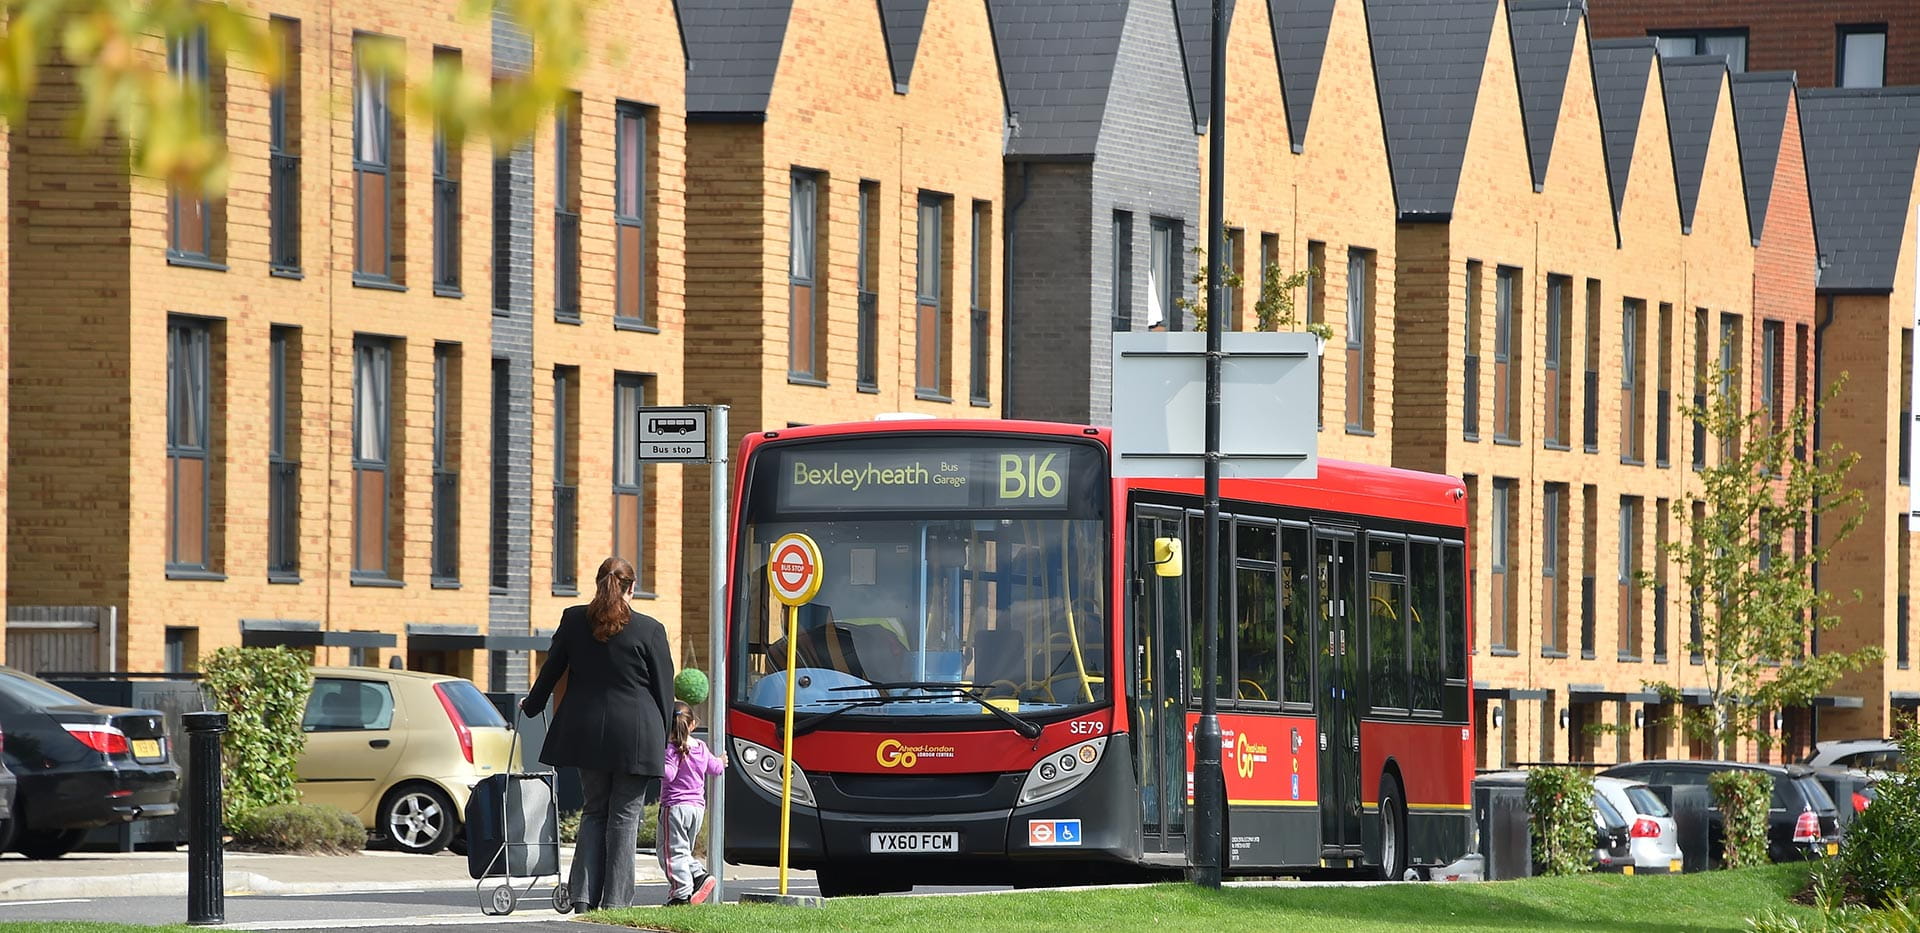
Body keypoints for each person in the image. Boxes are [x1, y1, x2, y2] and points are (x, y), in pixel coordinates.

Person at [521, 557, 674, 912]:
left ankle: (583, 897)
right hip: (636, 736)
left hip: (587, 732)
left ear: (597, 583)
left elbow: (552, 669)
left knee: (594, 811)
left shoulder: (574, 620)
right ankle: (616, 902)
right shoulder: (650, 629)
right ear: (632, 588)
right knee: (624, 817)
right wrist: (666, 738)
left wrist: (532, 705)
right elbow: (664, 691)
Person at [658, 701, 727, 906]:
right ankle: (697, 877)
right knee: (682, 850)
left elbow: (669, 774)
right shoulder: (701, 747)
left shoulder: (671, 749)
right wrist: (721, 761)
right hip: (697, 808)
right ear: (693, 725)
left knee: (670, 853)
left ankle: (681, 893)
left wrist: (655, 762)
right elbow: (715, 768)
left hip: (675, 807)